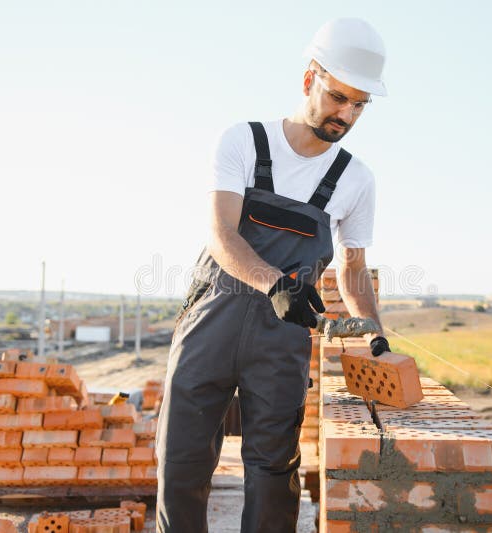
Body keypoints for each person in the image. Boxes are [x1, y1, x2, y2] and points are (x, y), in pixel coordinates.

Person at [155, 17, 391, 533]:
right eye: (338, 97)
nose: (346, 115)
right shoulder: (243, 141)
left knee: (271, 477)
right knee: (181, 466)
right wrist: (275, 284)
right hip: (210, 322)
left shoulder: (355, 179)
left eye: (359, 105)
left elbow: (353, 268)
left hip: (280, 341)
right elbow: (221, 234)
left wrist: (376, 336)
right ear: (310, 79)